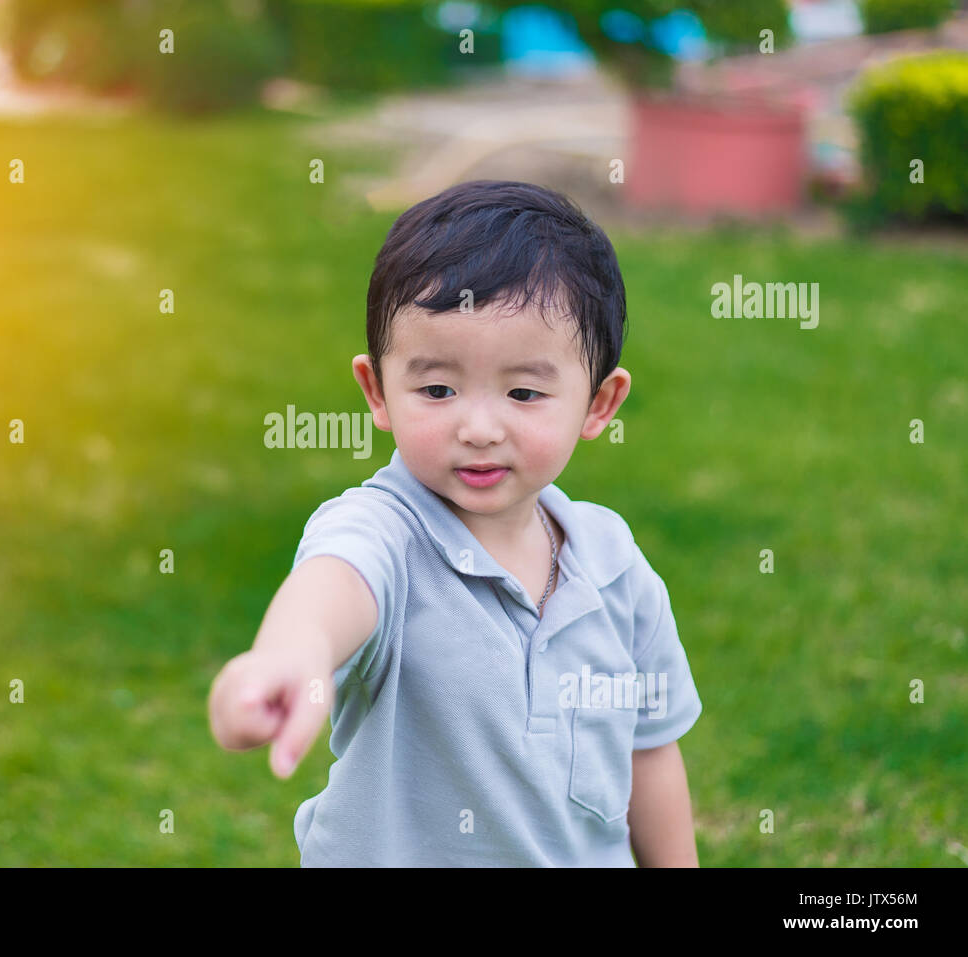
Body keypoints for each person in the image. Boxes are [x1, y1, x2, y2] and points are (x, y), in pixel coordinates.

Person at [207, 180, 702, 866]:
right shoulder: (386, 531)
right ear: (377, 391)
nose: (477, 427)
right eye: (437, 389)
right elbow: (333, 589)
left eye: (524, 392)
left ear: (599, 403)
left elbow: (648, 750)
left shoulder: (615, 564)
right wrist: (291, 655)